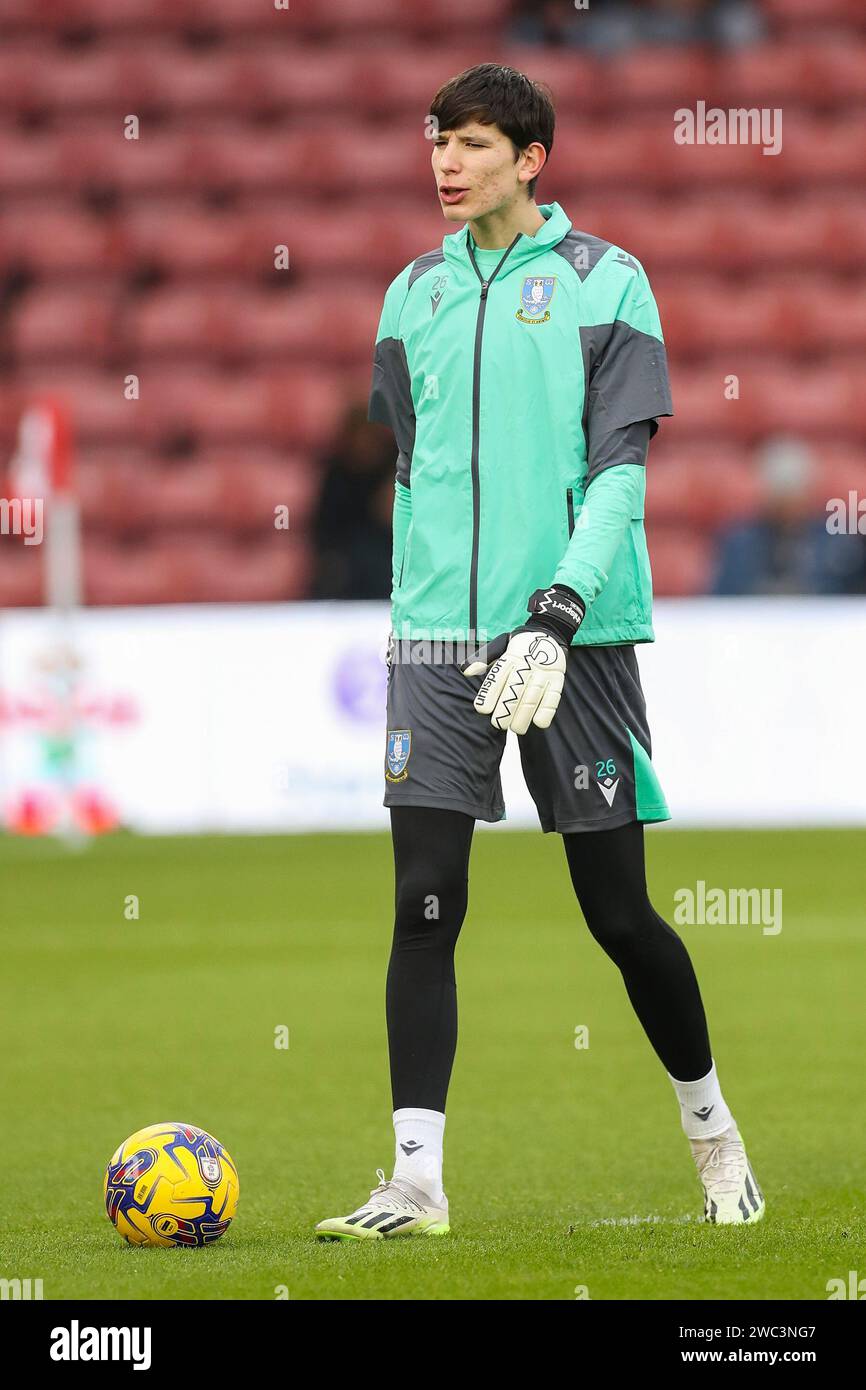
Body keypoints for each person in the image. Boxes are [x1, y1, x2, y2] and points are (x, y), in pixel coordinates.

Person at [315, 63, 764, 1239]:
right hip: (436, 640)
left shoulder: (605, 282)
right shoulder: (407, 293)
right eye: (434, 143)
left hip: (575, 633)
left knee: (617, 914)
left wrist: (559, 608)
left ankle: (711, 1133)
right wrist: (416, 614)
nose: (444, 165)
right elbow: (409, 473)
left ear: (530, 159)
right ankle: (415, 1181)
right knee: (422, 902)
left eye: (467, 144)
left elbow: (620, 469)